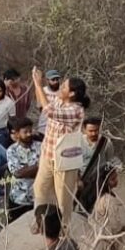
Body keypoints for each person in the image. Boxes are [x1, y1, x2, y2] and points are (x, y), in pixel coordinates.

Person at [31, 68, 90, 232]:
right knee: (40, 188)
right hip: (48, 154)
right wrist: (39, 83)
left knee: (63, 197)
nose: (60, 88)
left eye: (64, 87)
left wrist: (37, 82)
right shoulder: (59, 100)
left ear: (71, 94)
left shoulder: (75, 110)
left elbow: (48, 111)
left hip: (64, 159)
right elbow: (43, 102)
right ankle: (40, 219)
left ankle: (63, 227)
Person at [6, 117, 41, 223]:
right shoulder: (12, 150)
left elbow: (46, 168)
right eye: (25, 132)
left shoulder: (41, 146)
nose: (29, 134)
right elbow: (17, 173)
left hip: (36, 198)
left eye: (30, 131)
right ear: (17, 134)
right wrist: (37, 167)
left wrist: (27, 170)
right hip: (18, 198)